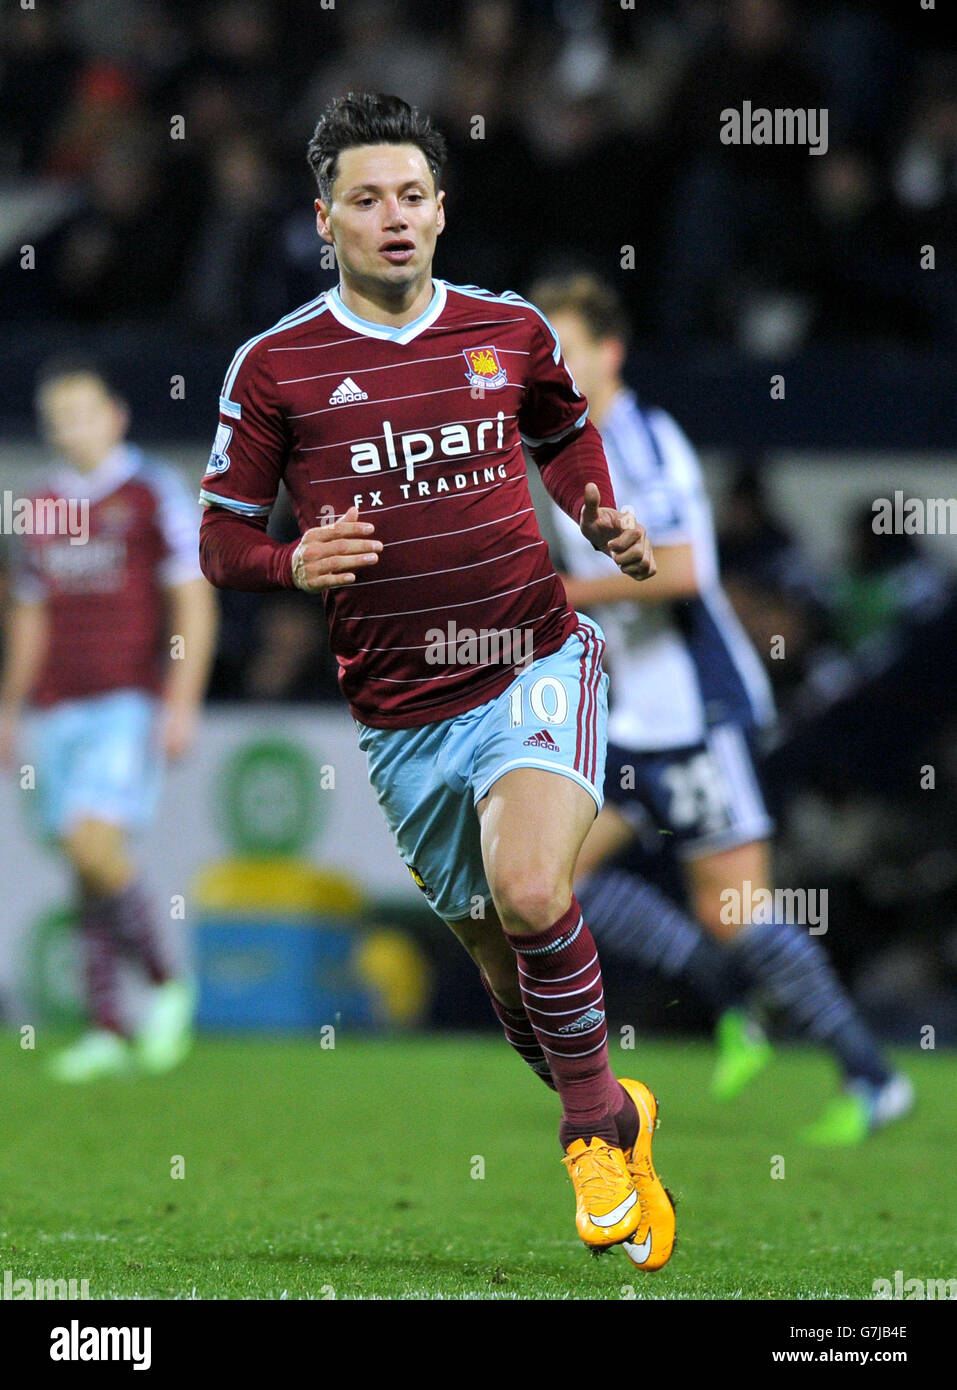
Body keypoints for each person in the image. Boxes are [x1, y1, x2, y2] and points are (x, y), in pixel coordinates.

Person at [198, 91, 674, 1267]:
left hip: (534, 658)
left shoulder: (507, 330)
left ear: (442, 208)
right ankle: (614, 1110)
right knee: (508, 977)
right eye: (367, 199)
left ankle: (585, 1139)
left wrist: (598, 514)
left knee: (529, 886)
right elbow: (218, 538)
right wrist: (290, 557)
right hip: (404, 718)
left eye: (412, 195)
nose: (394, 216)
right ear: (326, 218)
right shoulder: (276, 366)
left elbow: (564, 433)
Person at [530, 273, 913, 1145]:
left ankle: (869, 1071)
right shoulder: (567, 445)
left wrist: (559, 591)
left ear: (609, 353)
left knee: (736, 911)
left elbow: (681, 570)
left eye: (565, 347)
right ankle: (725, 991)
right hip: (630, 720)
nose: (548, 364)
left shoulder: (635, 436)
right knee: (545, 884)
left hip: (691, 713)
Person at [0, 362, 218, 1081]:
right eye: (57, 417)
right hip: (56, 707)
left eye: (82, 413)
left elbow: (191, 598)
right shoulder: (39, 505)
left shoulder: (150, 491)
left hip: (126, 700)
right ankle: (106, 1024)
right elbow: (28, 614)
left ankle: (163, 984)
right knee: (81, 861)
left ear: (115, 416)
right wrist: (10, 705)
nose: (71, 428)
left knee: (92, 844)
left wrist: (182, 698)